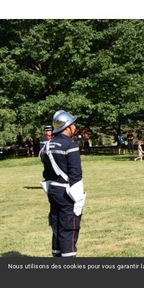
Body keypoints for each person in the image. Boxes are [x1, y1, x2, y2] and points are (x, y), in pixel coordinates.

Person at [40, 110, 86, 257]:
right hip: (68, 192)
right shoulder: (70, 145)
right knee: (69, 229)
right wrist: (78, 201)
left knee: (57, 226)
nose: (75, 127)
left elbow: (46, 173)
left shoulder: (47, 146)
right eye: (73, 124)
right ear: (67, 126)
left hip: (53, 190)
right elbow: (75, 175)